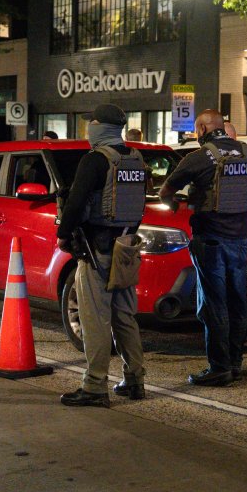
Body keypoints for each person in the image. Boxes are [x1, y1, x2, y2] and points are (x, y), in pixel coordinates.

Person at [160, 109, 247, 387]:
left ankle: (219, 368)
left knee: (214, 304)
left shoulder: (198, 157)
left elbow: (165, 191)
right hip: (242, 239)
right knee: (237, 302)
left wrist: (174, 203)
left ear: (201, 129)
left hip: (211, 240)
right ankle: (235, 363)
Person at [56, 104, 147, 407]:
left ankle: (95, 386)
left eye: (91, 122)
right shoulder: (135, 159)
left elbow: (76, 202)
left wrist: (63, 234)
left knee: (95, 319)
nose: (88, 128)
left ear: (101, 127)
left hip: (97, 249)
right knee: (124, 316)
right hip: (126, 247)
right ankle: (134, 379)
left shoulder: (95, 160)